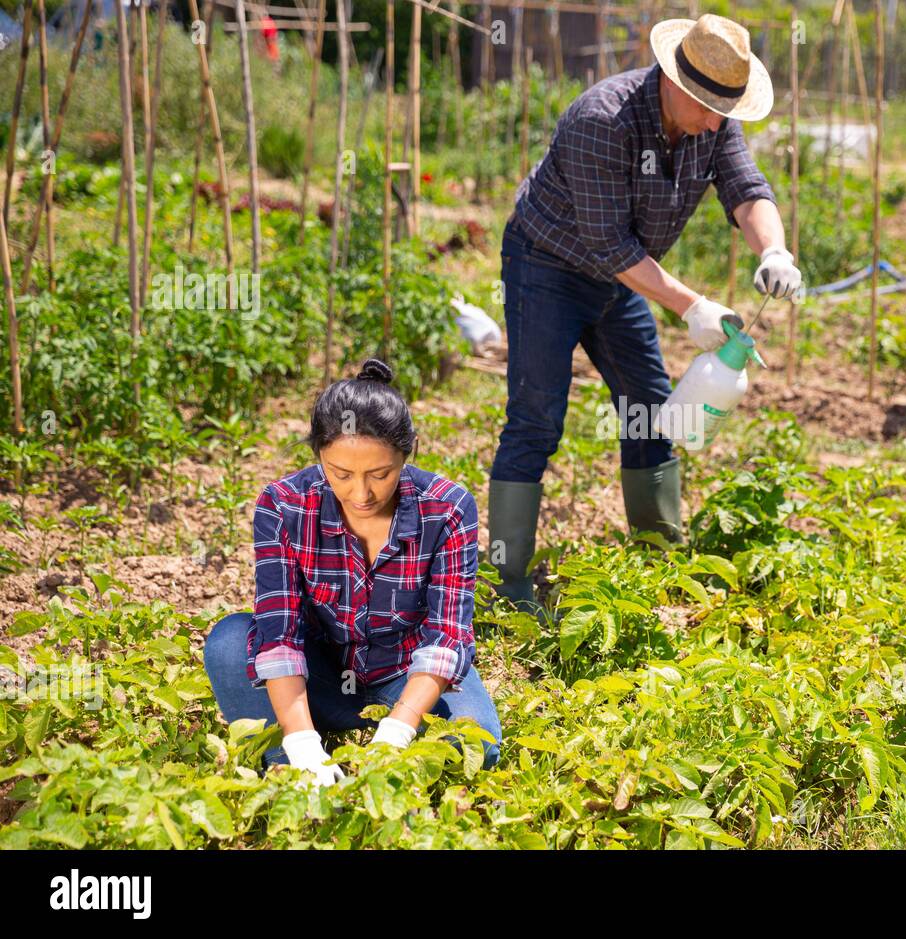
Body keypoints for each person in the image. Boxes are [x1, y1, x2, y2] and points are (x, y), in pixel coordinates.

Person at [490, 14, 801, 607]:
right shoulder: (601, 119)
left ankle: (658, 558)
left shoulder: (714, 123)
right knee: (536, 416)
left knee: (651, 410)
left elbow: (746, 190)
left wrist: (774, 248)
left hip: (621, 279)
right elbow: (609, 245)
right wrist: (693, 307)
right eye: (708, 108)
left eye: (724, 112)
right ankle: (506, 580)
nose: (716, 123)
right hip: (547, 266)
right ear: (674, 84)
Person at [204, 359, 501, 785]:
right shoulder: (285, 504)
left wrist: (398, 730)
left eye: (380, 474)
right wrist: (301, 739)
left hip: (407, 673)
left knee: (478, 744)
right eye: (340, 474)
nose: (361, 493)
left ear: (408, 450)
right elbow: (279, 629)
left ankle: (387, 747)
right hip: (318, 676)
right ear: (318, 455)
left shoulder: (448, 508)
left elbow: (447, 635)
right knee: (229, 642)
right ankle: (294, 762)